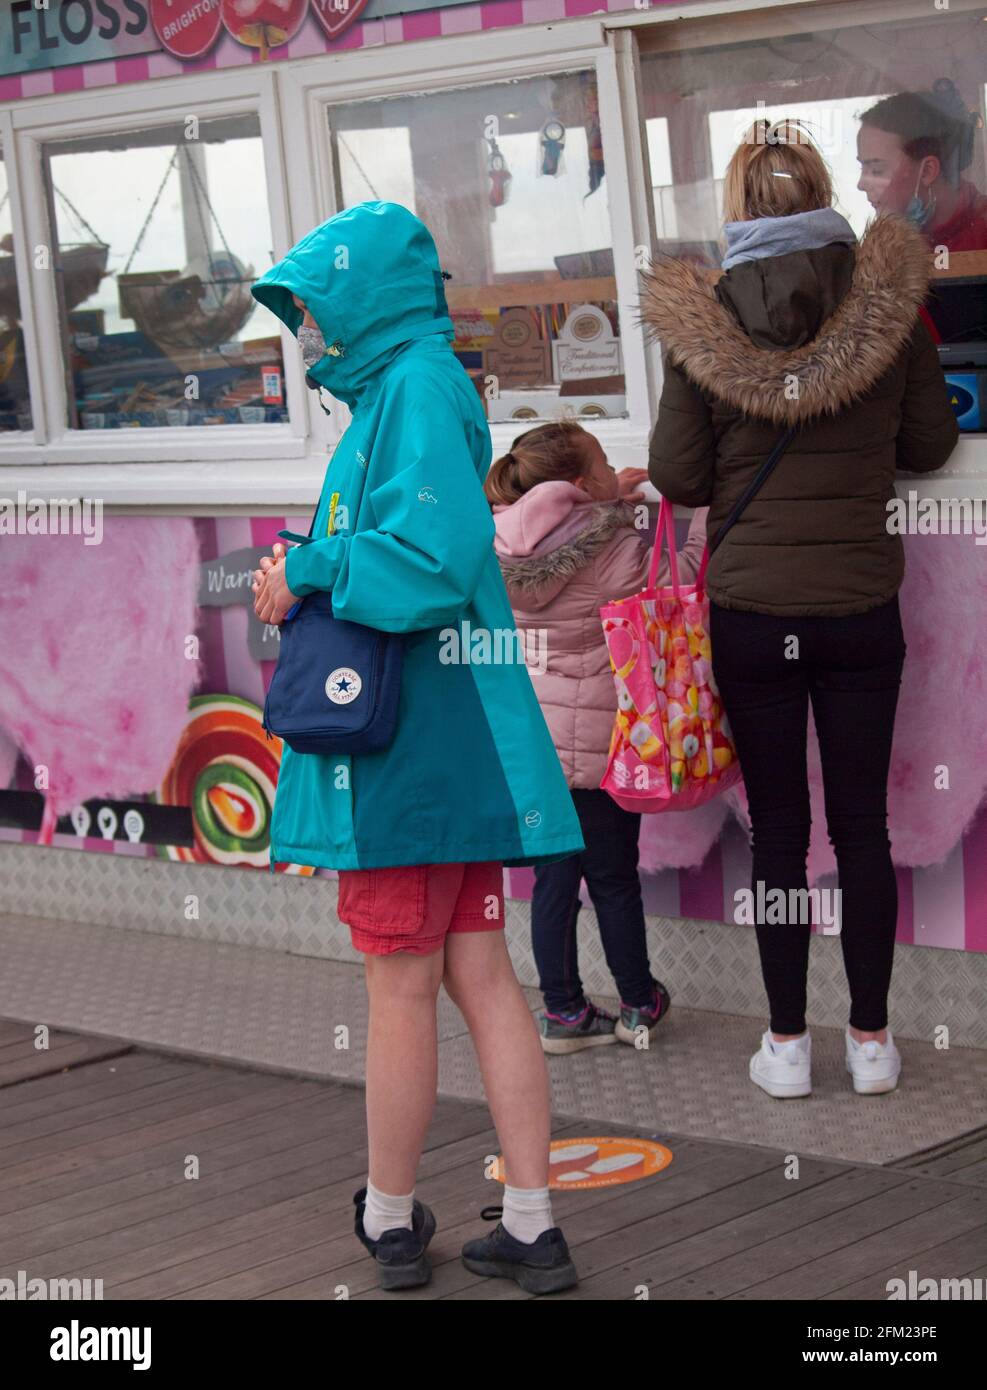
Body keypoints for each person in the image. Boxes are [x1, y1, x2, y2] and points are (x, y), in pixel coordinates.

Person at [250, 201, 585, 1294]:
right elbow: (423, 545)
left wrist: (304, 571)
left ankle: (390, 1220)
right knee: (482, 973)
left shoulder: (413, 391)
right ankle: (529, 1223)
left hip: (405, 750)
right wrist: (317, 565)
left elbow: (433, 561)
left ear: (362, 298)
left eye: (313, 310)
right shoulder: (416, 387)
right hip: (449, 744)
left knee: (400, 987)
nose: (308, 335)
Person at [643, 121, 959, 1099]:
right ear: (825, 192)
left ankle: (786, 1044)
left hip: (752, 613)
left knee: (779, 830)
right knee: (861, 825)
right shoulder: (888, 311)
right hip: (859, 604)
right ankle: (871, 1042)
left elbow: (678, 475)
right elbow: (933, 445)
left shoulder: (706, 328)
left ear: (739, 210)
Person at [486, 420, 707, 1051]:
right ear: (580, 485)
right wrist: (710, 514)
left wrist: (610, 501)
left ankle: (563, 1013)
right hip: (605, 743)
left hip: (539, 744)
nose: (619, 469)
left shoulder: (496, 539)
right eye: (608, 462)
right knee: (612, 877)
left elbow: (565, 532)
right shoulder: (611, 547)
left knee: (554, 880)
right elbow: (681, 577)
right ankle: (639, 1002)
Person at [858, 79, 987, 252]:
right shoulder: (883, 246)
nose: (861, 184)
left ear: (927, 171)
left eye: (876, 170)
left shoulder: (981, 234)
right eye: (862, 168)